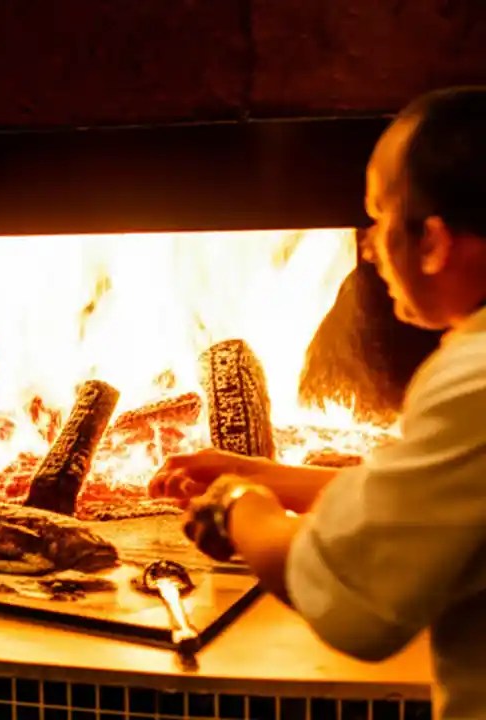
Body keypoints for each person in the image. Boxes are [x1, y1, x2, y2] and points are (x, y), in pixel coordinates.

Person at [149, 87, 486, 719]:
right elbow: (437, 496)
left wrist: (239, 506)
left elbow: (353, 594)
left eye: (379, 217)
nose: (369, 246)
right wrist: (261, 473)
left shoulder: (475, 379)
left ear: (435, 241)